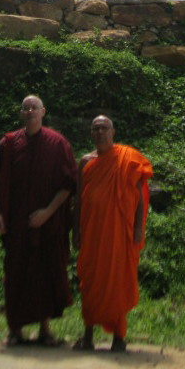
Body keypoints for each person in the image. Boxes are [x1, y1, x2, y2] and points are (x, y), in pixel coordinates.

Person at [0, 95, 77, 346]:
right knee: (15, 273)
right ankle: (14, 330)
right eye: (25, 108)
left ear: (43, 111)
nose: (30, 111)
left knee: (44, 273)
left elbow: (68, 185)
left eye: (34, 108)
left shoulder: (58, 144)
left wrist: (47, 213)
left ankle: (45, 329)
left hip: (46, 224)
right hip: (16, 223)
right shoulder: (8, 143)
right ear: (21, 112)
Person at [73, 114, 153, 352]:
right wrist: (75, 230)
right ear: (91, 134)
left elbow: (139, 197)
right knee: (90, 281)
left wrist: (138, 227)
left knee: (117, 281)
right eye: (95, 129)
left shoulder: (128, 159)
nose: (100, 133)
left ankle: (118, 337)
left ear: (113, 132)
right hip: (92, 233)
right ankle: (88, 335)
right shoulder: (85, 162)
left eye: (104, 128)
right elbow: (78, 200)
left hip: (119, 233)